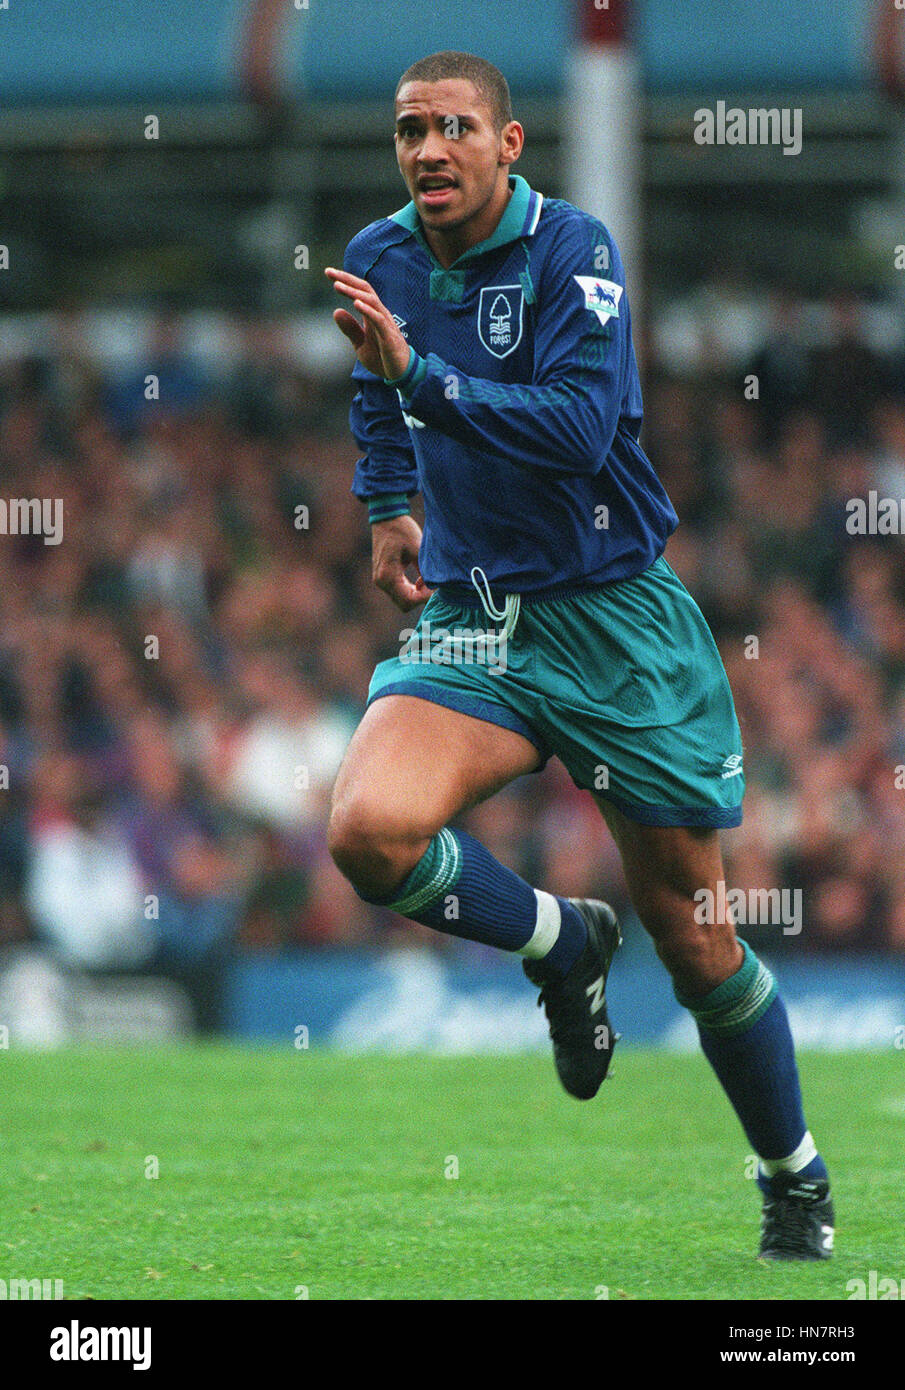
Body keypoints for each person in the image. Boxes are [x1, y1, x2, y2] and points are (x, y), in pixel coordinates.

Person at [325, 50, 832, 1260]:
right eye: (408, 130)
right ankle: (561, 941)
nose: (427, 150)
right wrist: (388, 500)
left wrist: (419, 377)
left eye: (454, 127)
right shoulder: (383, 253)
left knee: (697, 933)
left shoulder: (574, 251)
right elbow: (370, 385)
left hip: (612, 619)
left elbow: (574, 426)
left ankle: (790, 1173)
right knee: (366, 830)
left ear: (508, 146)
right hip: (477, 615)